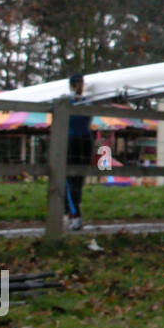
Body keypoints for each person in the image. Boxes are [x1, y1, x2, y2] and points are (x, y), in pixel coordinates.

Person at [64, 72, 94, 232]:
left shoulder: (79, 102)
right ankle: (73, 213)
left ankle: (74, 213)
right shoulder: (81, 103)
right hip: (79, 141)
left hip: (78, 141)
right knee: (75, 181)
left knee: (74, 180)